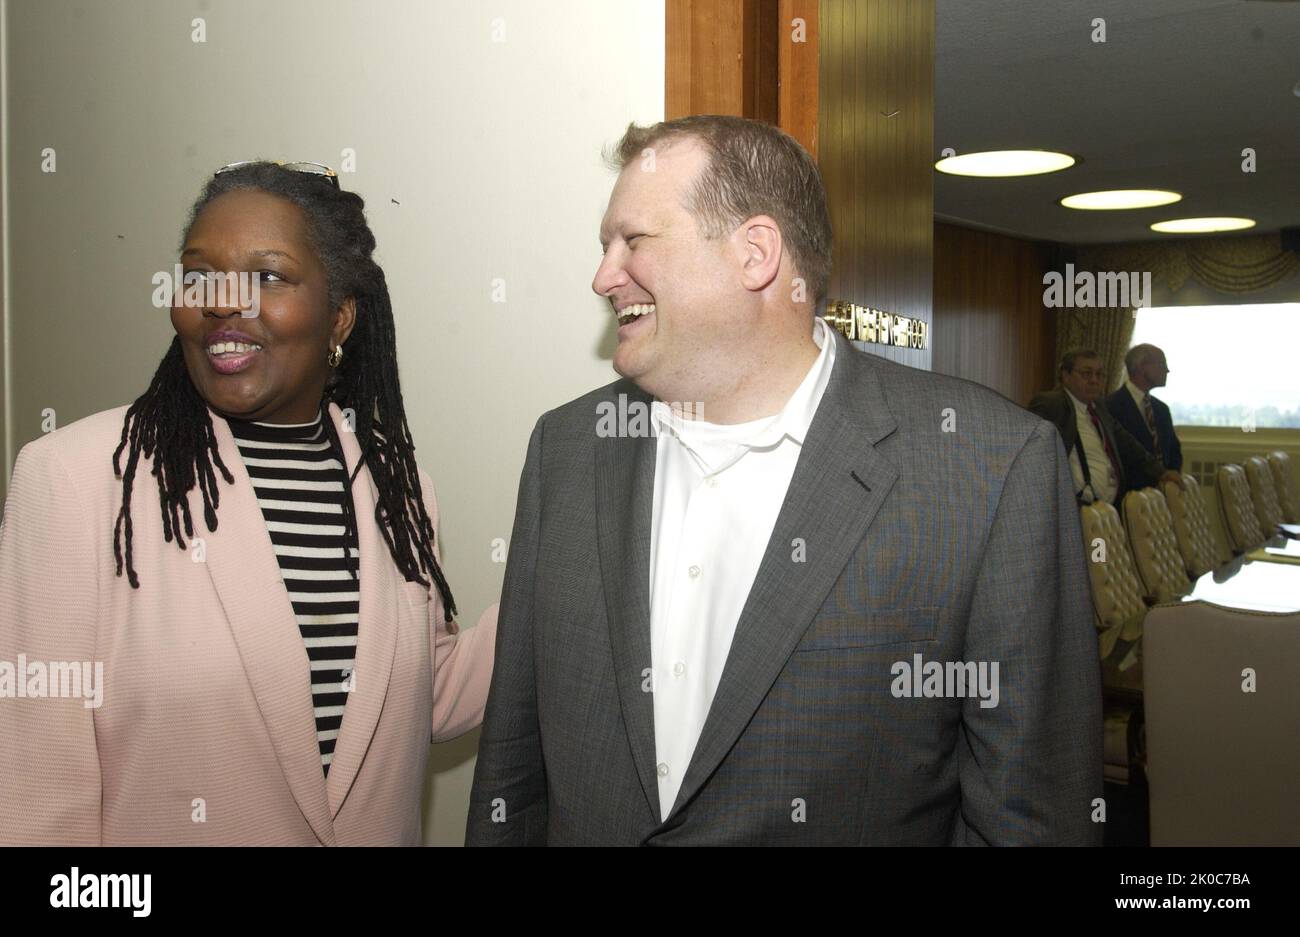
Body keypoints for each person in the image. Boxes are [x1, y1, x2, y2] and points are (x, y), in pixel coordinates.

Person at [466, 115, 1101, 845]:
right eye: (605, 246)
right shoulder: (567, 450)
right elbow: (510, 767)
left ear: (755, 253)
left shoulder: (989, 468)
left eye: (633, 240)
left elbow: (1031, 818)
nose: (603, 275)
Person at [0, 161, 495, 845]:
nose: (223, 301)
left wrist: (570, 569)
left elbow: (420, 695)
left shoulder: (398, 488)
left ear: (340, 318)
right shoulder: (76, 480)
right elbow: (35, 792)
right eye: (200, 274)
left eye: (268, 276)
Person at [1029, 348, 1180, 507]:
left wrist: (1162, 472)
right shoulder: (1051, 404)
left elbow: (1128, 444)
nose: (1094, 380)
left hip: (1109, 509)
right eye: (1086, 373)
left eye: (1099, 374)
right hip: (1074, 508)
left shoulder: (1099, 406)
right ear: (1065, 376)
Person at [1105, 343, 1182, 471]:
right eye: (1162, 364)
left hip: (1165, 487)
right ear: (1141, 367)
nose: (1167, 370)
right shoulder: (1110, 407)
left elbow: (1174, 453)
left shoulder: (1161, 409)